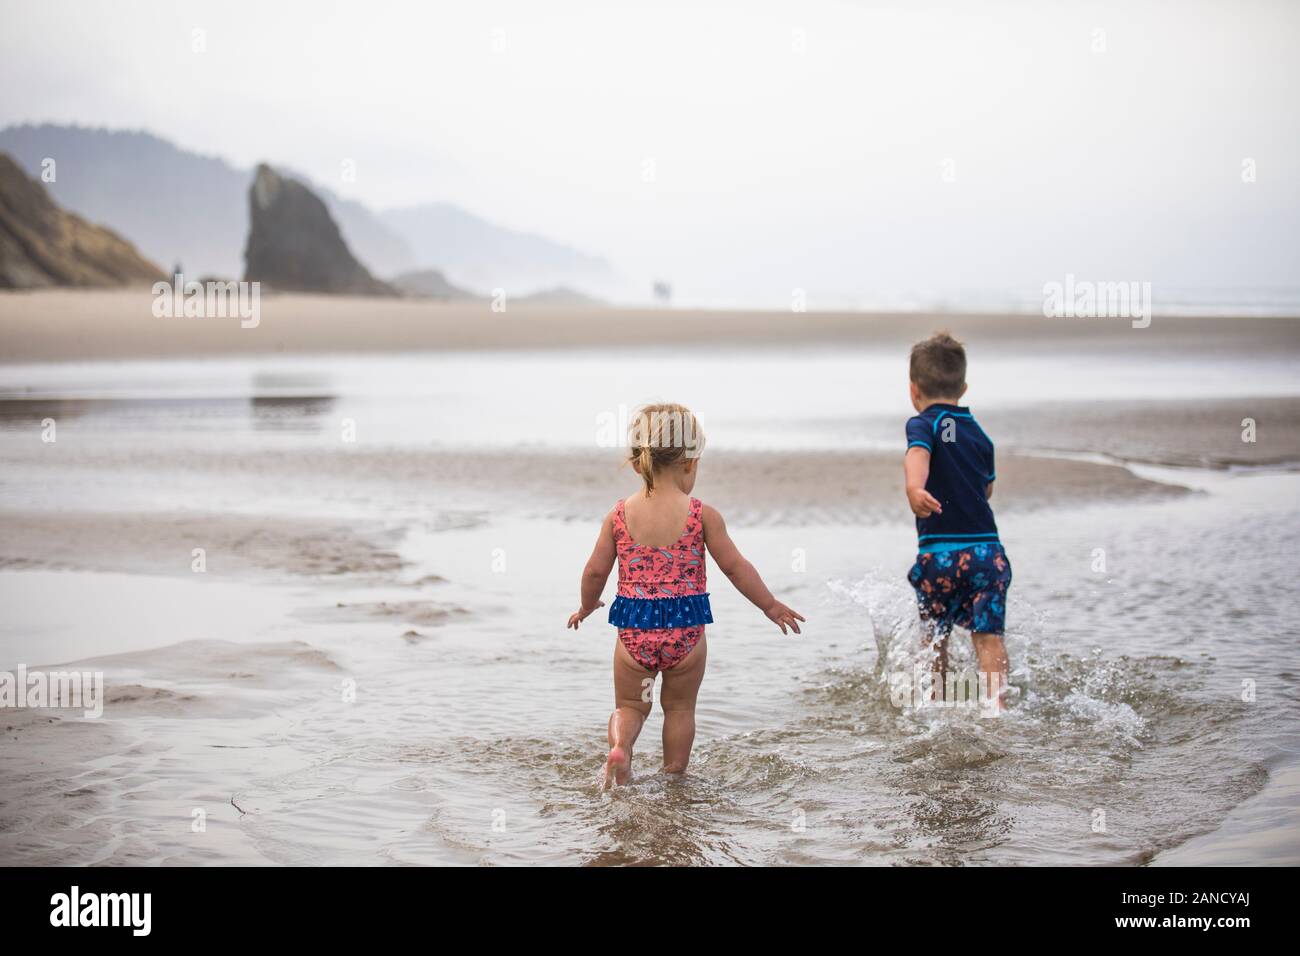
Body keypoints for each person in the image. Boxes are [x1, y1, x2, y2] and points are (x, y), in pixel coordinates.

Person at [568, 403, 805, 787]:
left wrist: (585, 605)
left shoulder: (618, 516)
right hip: (686, 631)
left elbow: (595, 570)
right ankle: (674, 778)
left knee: (630, 705)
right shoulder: (701, 514)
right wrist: (770, 605)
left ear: (636, 462)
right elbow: (736, 568)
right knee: (679, 708)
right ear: (690, 463)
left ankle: (620, 751)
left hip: (634, 630)